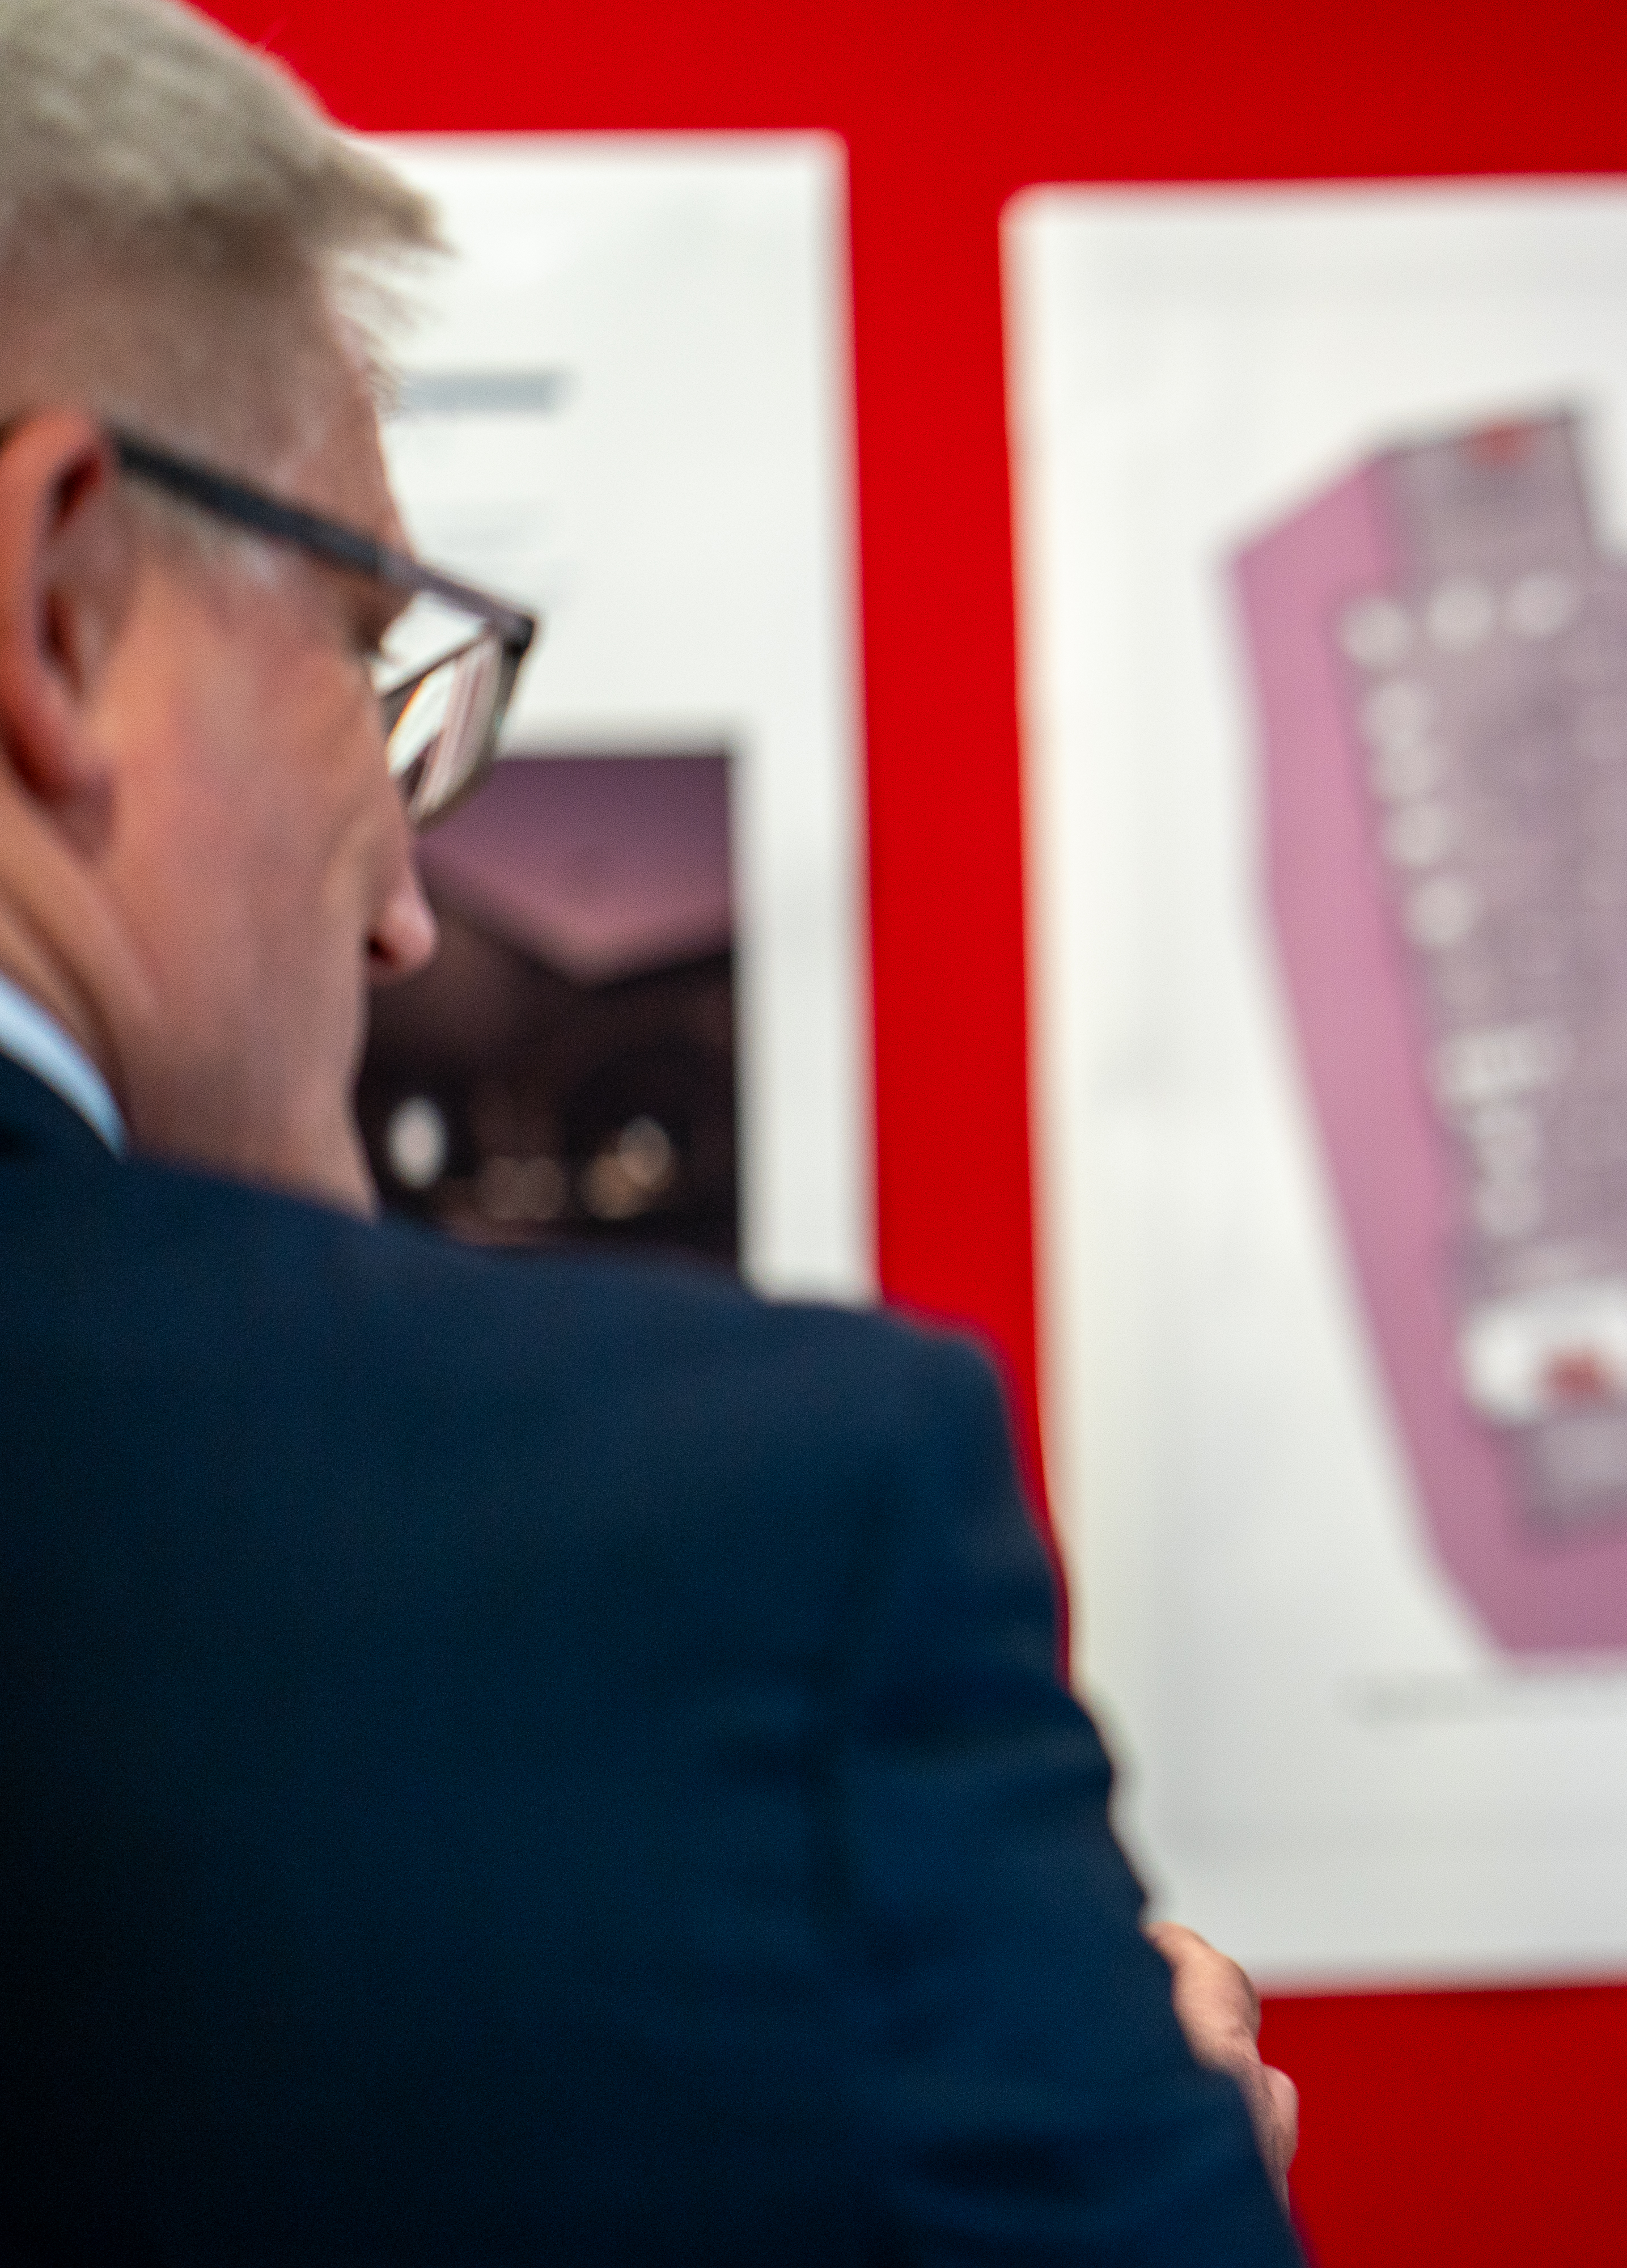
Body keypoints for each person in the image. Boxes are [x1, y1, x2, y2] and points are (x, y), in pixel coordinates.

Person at [0, 1, 1300, 2256]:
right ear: (57, 593)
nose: (408, 915)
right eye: (356, 644)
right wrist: (1126, 2163)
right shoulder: (737, 1536)